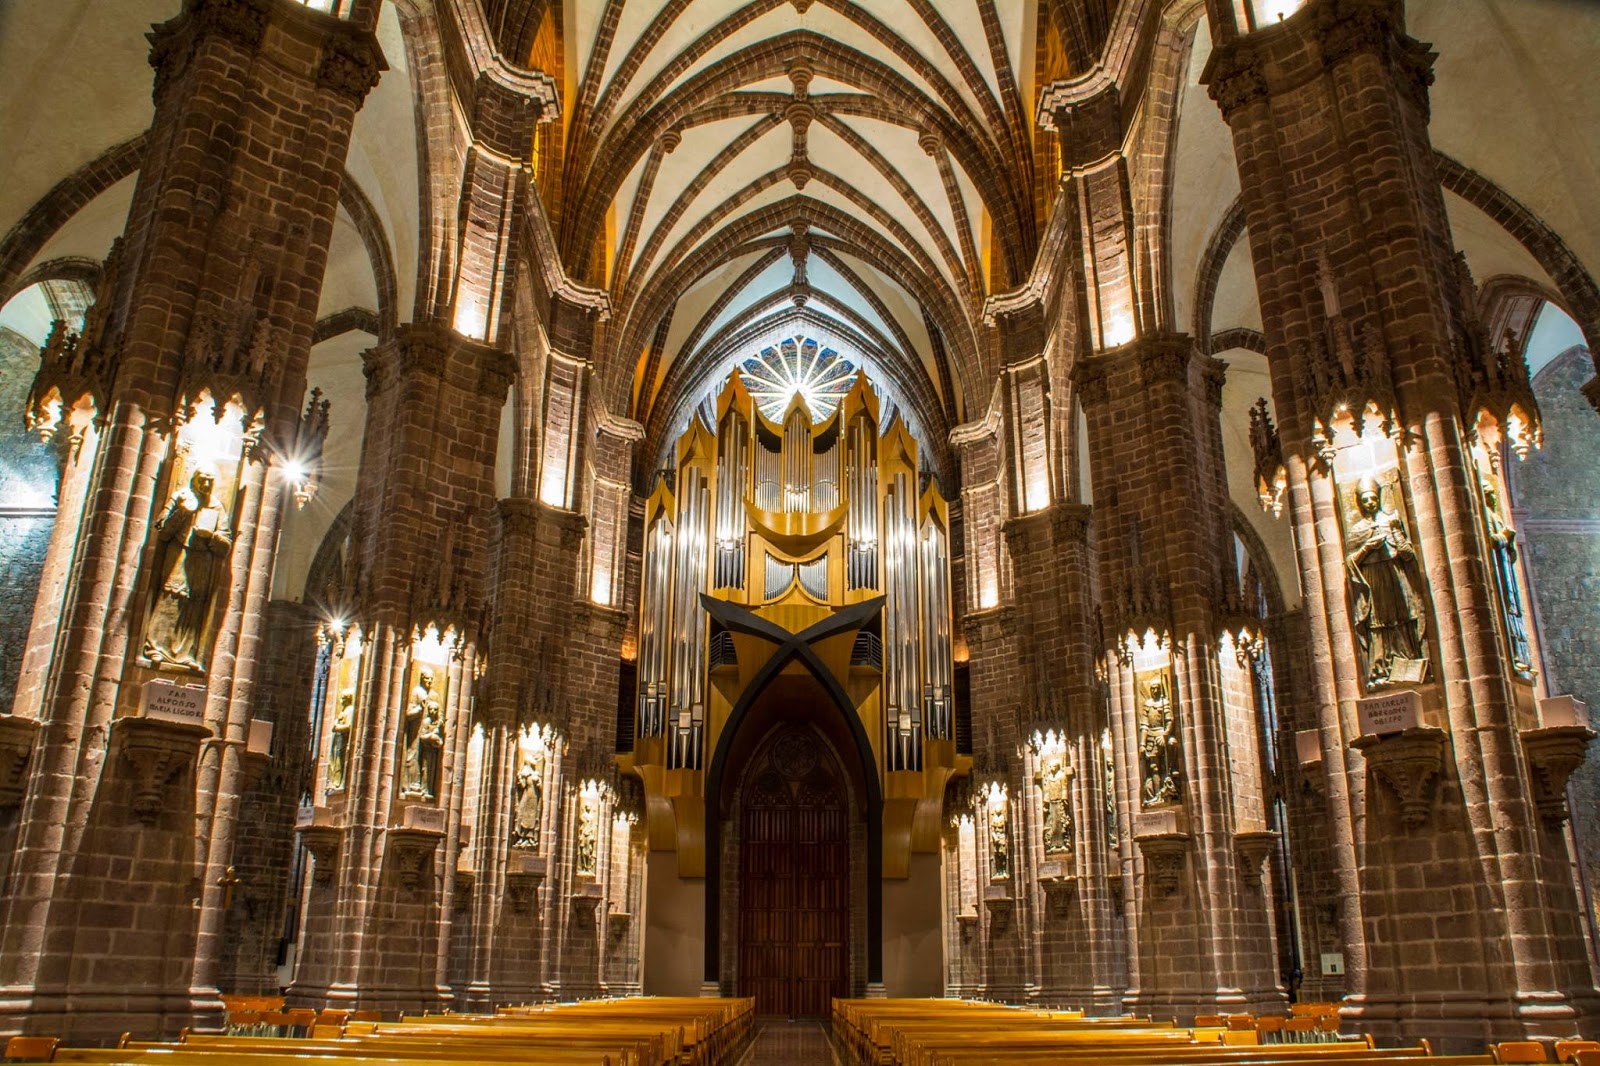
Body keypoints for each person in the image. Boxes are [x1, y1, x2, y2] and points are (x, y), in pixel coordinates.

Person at [144, 466, 232, 670]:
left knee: (193, 606)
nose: (207, 484)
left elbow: (226, 542)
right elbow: (162, 530)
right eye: (203, 479)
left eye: (211, 480)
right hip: (179, 554)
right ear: (194, 479)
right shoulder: (181, 497)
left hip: (202, 562)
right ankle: (156, 646)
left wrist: (211, 536)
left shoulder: (216, 506)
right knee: (170, 598)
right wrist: (182, 512)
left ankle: (186, 653)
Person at [1344, 477, 1429, 685]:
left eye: (1373, 498)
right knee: (1377, 625)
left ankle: (1407, 664)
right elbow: (1350, 560)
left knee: (1402, 619)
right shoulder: (1357, 530)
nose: (1370, 503)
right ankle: (1380, 669)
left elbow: (1408, 554)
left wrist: (1397, 532)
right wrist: (1366, 548)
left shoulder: (1391, 521)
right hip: (1372, 580)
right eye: (1365, 500)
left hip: (1395, 578)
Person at [1481, 478, 1533, 675]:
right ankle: (1515, 654)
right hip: (1497, 572)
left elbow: (1506, 547)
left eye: (1492, 494)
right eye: (1489, 494)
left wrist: (1508, 542)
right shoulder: (1484, 515)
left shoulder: (1496, 516)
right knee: (1506, 606)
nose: (1493, 497)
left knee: (1513, 609)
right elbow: (1490, 540)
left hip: (1505, 571)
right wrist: (1504, 537)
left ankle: (1521, 656)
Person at [1138, 674, 1180, 806]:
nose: (1154, 691)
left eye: (1157, 688)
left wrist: (1164, 735)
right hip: (1151, 736)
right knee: (1153, 767)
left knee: (1165, 764)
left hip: (1162, 734)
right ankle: (1157, 796)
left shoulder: (1164, 703)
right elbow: (1144, 725)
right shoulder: (1148, 705)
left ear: (1161, 689)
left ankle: (1168, 788)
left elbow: (1169, 721)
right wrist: (1142, 744)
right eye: (1152, 689)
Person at [327, 691, 354, 791]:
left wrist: (337, 727)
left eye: (343, 698)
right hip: (338, 739)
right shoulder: (344, 711)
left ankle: (338, 782)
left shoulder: (350, 710)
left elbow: (349, 726)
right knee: (335, 760)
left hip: (343, 739)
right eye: (341, 698)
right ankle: (334, 780)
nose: (341, 700)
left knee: (340, 760)